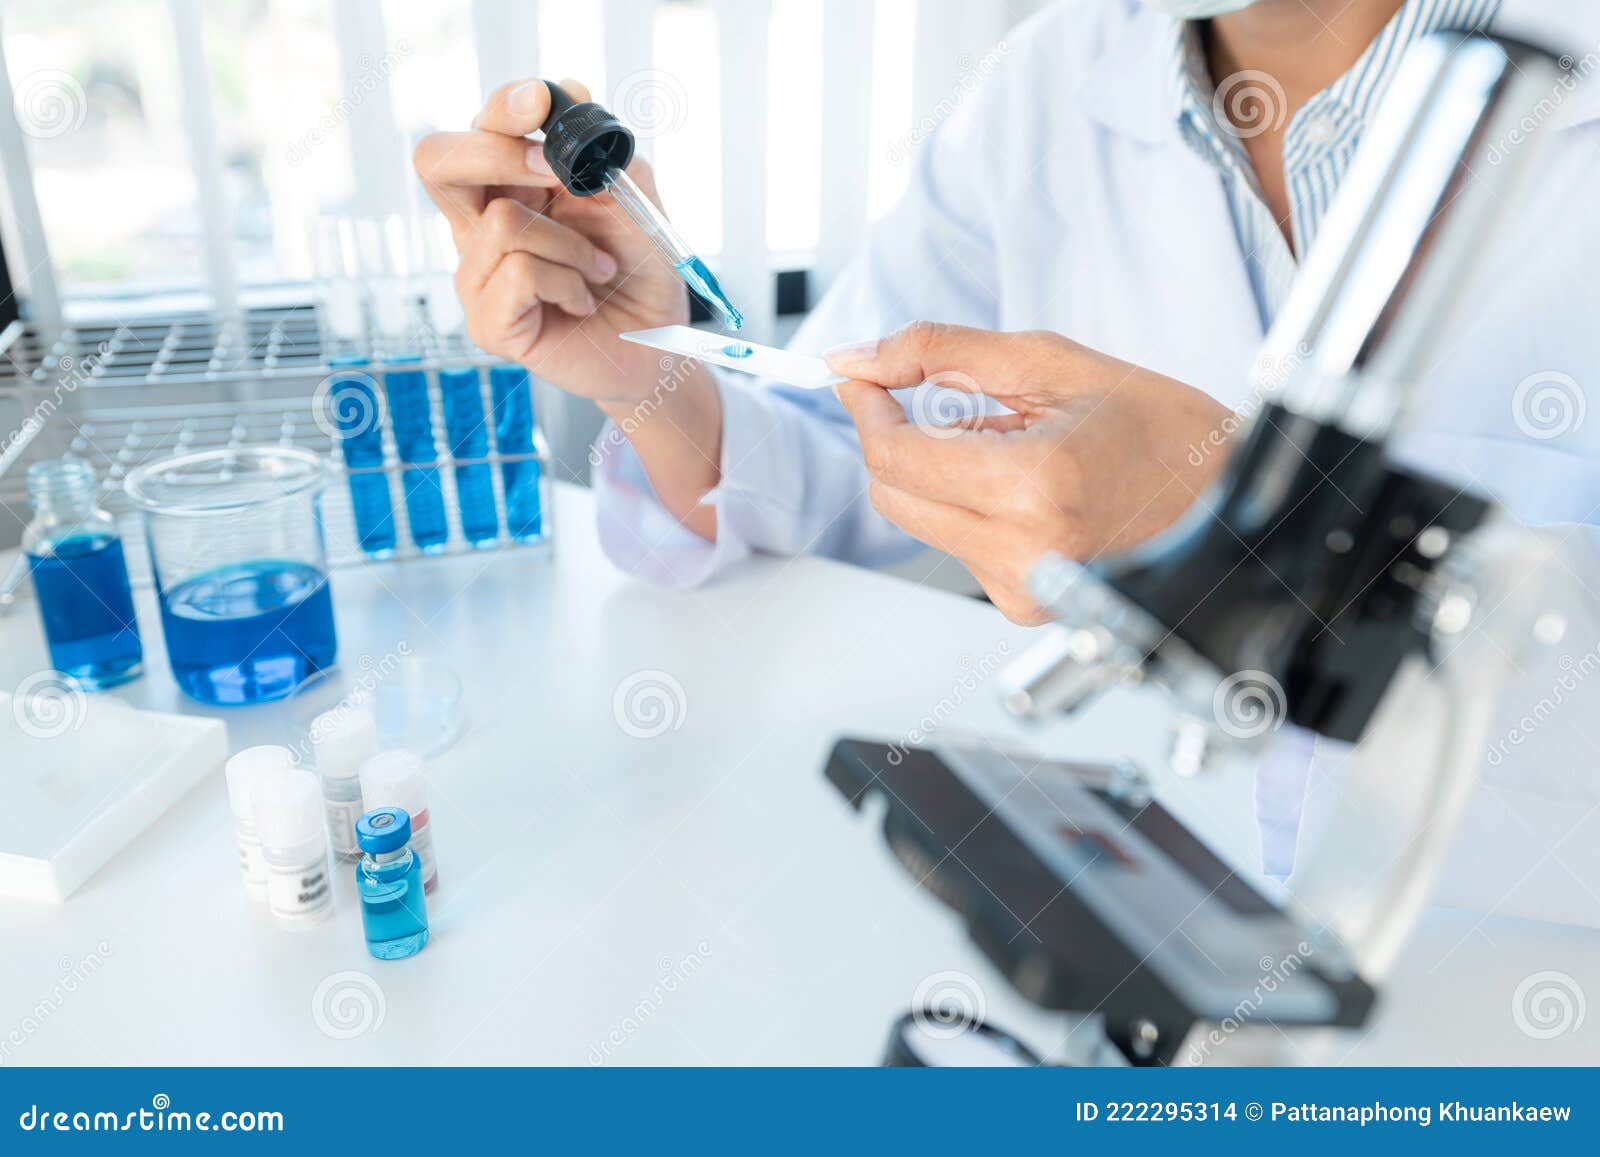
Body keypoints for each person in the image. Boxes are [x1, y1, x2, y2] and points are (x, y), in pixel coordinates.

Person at [415, 0, 1598, 877]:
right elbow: (846, 442)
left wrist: (1253, 532)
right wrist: (656, 370)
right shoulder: (1055, 76)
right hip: (1170, 916)